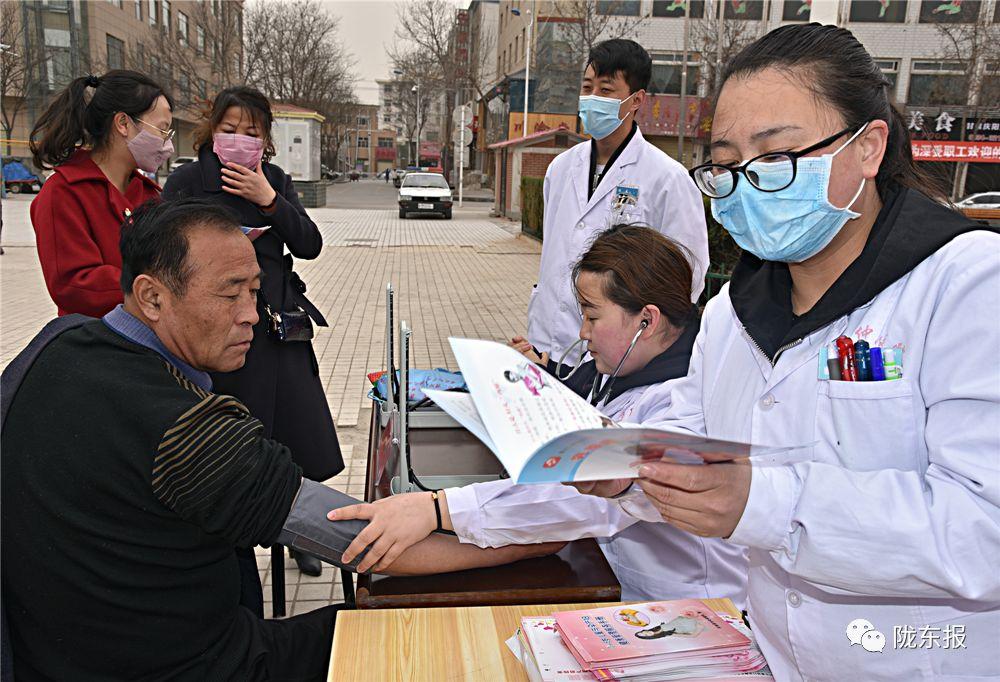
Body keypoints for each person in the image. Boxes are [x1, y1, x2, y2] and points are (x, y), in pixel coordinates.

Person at [574, 24, 1000, 680]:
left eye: (775, 157)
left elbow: (985, 530)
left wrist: (767, 504)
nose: (744, 183)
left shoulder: (968, 284)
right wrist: (631, 468)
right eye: (724, 163)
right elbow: (701, 448)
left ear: (867, 148)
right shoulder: (731, 317)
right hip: (773, 659)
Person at [0, 199, 561, 681]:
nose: (254, 315)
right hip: (180, 664)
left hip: (53, 650)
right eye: (229, 296)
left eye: (255, 290)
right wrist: (553, 532)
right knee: (417, 632)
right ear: (151, 297)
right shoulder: (185, 431)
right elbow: (363, 539)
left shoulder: (58, 343)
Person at [326, 226, 747, 606]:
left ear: (647, 320)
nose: (582, 332)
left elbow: (581, 495)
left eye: (592, 315)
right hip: (620, 580)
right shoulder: (621, 373)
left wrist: (436, 509)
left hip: (688, 606)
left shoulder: (679, 404)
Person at [163, 86, 339, 579]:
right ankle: (235, 545)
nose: (240, 140)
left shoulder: (275, 180)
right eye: (230, 130)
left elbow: (309, 244)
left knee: (294, 436)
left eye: (251, 133)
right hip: (213, 337)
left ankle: (299, 535)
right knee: (231, 439)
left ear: (266, 140)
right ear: (211, 130)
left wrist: (269, 202)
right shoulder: (187, 181)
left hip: (275, 330)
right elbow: (162, 245)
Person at [518, 39, 709, 377]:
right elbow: (555, 251)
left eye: (606, 90)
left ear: (636, 100)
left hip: (618, 358)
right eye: (587, 87)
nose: (593, 99)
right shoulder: (560, 169)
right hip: (546, 343)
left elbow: (688, 277)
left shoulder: (667, 178)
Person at [29, 70, 173, 317]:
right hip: (96, 341)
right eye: (162, 130)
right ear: (123, 124)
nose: (166, 143)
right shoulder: (64, 192)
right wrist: (159, 290)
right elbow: (73, 283)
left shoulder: (148, 194)